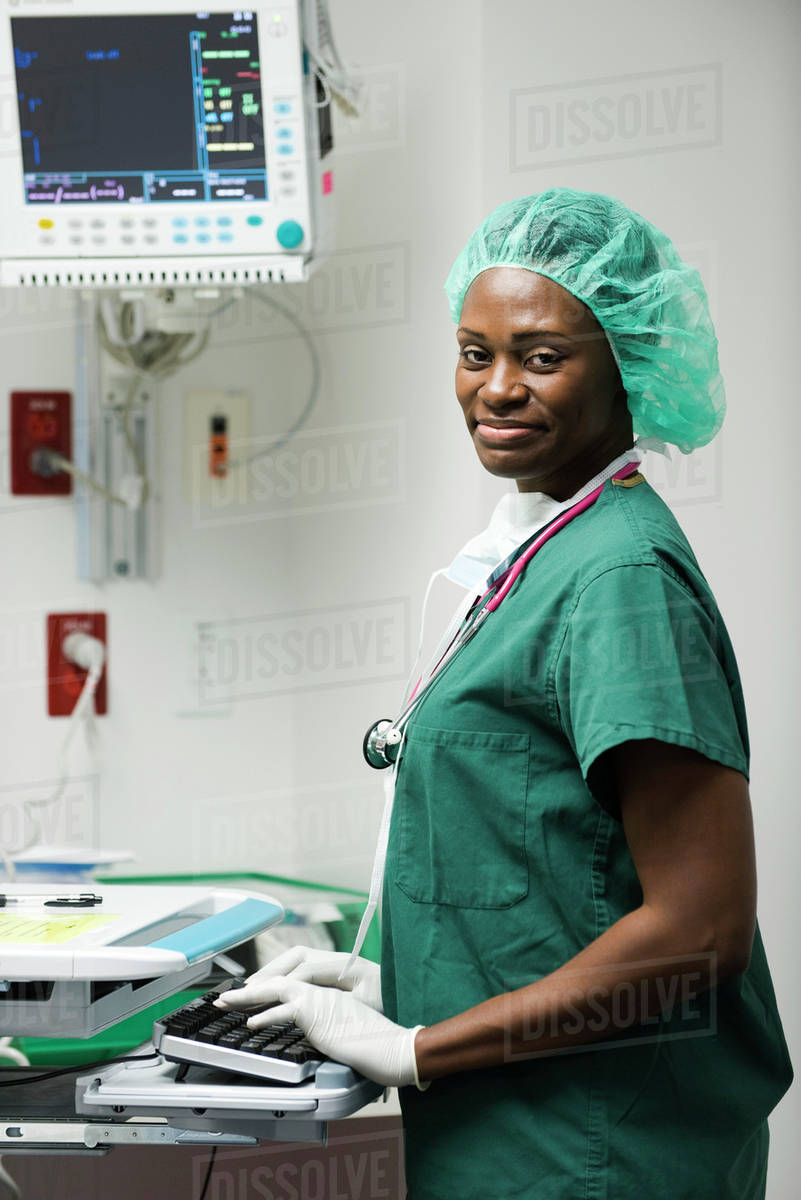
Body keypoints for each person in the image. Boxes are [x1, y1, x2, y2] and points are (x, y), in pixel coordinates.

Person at [216, 189, 793, 1198]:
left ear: (627, 364)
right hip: (523, 1138)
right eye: (474, 353)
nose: (496, 389)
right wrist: (400, 984)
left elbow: (699, 931)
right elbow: (555, 870)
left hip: (592, 1154)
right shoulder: (545, 552)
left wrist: (417, 1046)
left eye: (542, 356)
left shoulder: (620, 580)